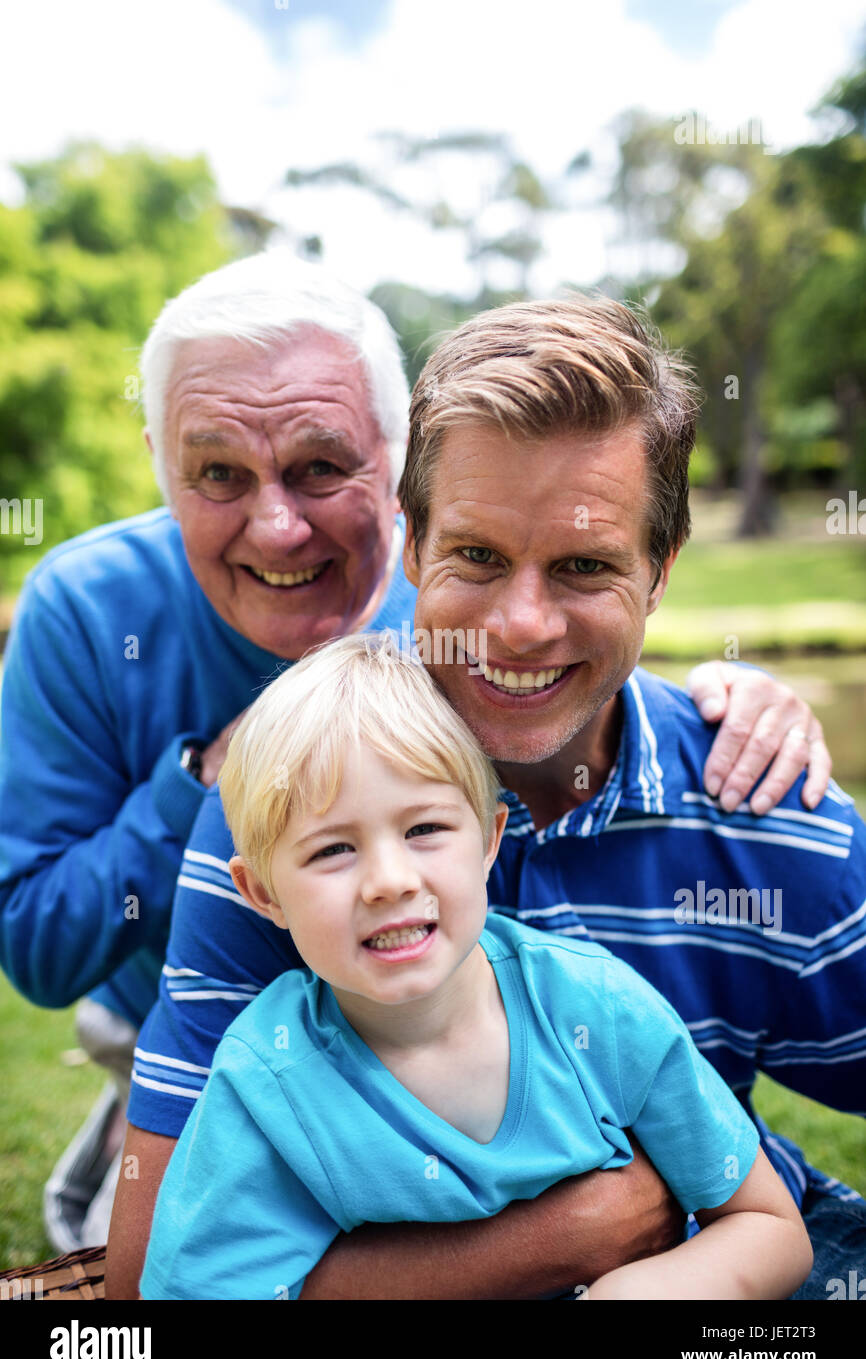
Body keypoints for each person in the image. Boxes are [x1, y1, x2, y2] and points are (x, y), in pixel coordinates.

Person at [109, 295, 863, 1301]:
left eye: (585, 566)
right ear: (412, 544)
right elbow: (150, 1285)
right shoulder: (295, 804)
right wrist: (567, 1238)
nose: (519, 625)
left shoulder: (767, 808)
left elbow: (767, 1231)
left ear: (659, 572)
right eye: (477, 556)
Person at [140, 633, 812, 1301]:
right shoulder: (269, 1082)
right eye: (333, 850)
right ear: (262, 893)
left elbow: (767, 1226)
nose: (390, 881)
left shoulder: (596, 1010)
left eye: (424, 830)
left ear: (489, 840)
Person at [0, 249, 418, 1250]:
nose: (276, 529)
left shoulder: (466, 590)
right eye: (219, 474)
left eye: (320, 467)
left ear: (399, 458)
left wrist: (722, 700)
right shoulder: (84, 609)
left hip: (440, 1045)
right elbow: (39, 947)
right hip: (178, 1049)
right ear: (161, 463)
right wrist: (209, 782)